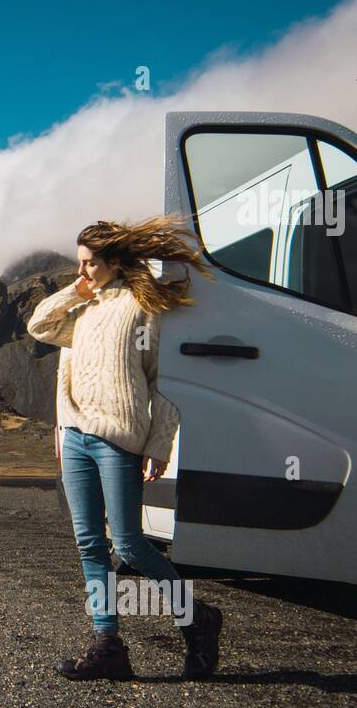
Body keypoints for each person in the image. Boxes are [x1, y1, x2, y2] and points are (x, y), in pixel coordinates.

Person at [26, 216, 221, 680]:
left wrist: (159, 441)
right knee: (90, 543)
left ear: (115, 261)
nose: (83, 272)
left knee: (130, 544)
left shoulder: (142, 306)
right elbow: (38, 324)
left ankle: (198, 620)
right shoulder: (83, 309)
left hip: (120, 438)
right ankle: (108, 643)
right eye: (79, 263)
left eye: (90, 263)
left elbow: (163, 379)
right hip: (74, 436)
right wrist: (76, 292)